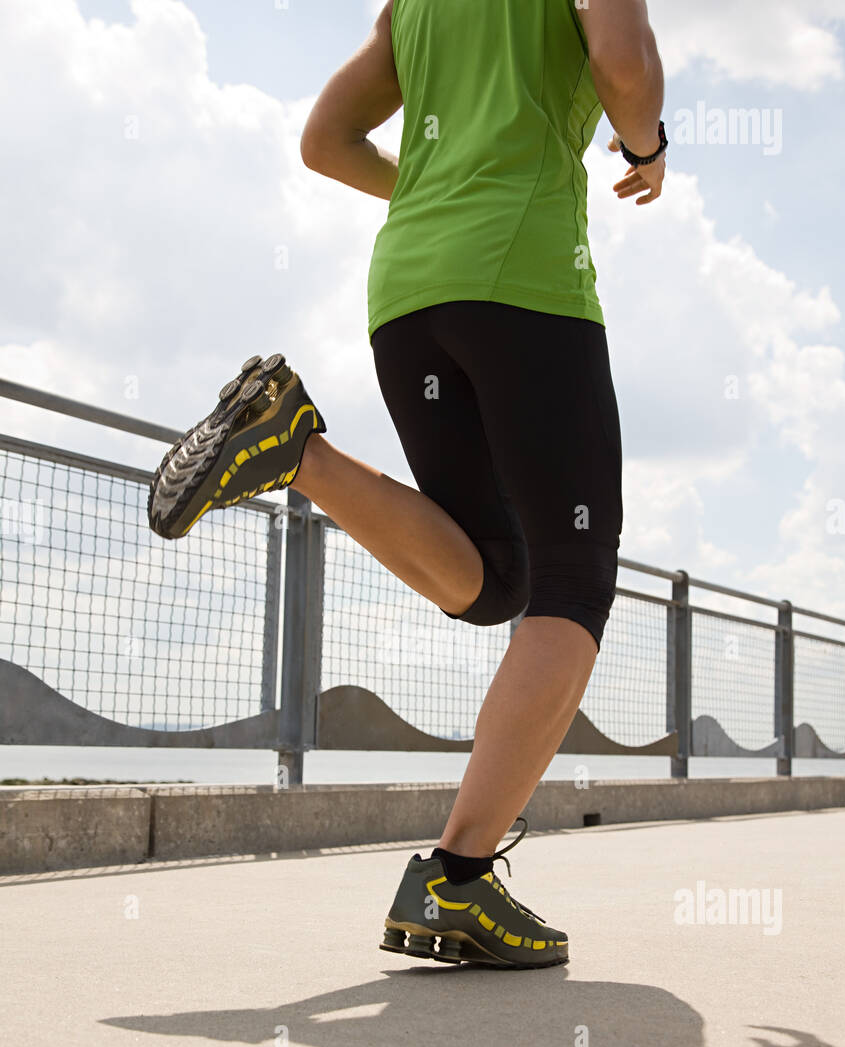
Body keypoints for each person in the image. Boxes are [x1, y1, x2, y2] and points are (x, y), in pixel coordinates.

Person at [147, 0, 666, 969]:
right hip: (522, 284)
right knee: (571, 577)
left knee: (497, 576)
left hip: (408, 297)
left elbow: (323, 141)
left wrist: (434, 195)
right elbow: (624, 68)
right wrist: (646, 145)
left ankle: (291, 447)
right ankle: (456, 880)